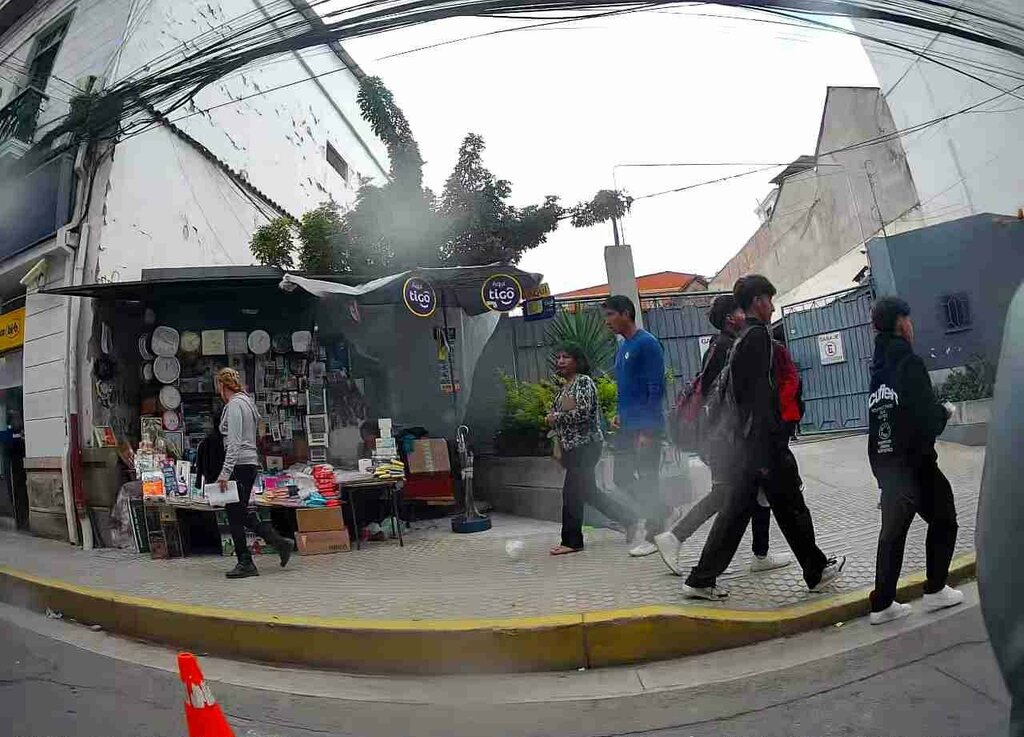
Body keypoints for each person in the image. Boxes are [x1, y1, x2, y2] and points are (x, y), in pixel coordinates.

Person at [682, 275, 845, 600]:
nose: (772, 307)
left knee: (742, 513)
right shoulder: (757, 337)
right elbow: (759, 397)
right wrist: (772, 443)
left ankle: (702, 578)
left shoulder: (743, 338)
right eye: (769, 300)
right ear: (757, 301)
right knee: (789, 507)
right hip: (761, 444)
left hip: (748, 445)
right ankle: (815, 570)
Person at [655, 294, 791, 575]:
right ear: (730, 318)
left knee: (758, 489)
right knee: (726, 493)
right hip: (724, 438)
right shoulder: (727, 347)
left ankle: (760, 554)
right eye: (742, 311)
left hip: (725, 436)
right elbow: (720, 397)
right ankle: (676, 537)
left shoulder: (723, 345)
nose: (748, 315)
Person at [866, 297, 962, 624]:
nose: (912, 326)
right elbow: (924, 417)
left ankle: (882, 604)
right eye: (908, 319)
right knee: (944, 518)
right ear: (900, 323)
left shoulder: (878, 368)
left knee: (892, 533)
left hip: (886, 461)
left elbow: (881, 416)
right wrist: (944, 413)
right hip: (915, 462)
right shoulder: (908, 362)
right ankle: (935, 590)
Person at [546, 344, 637, 555]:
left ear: (577, 361)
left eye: (566, 357)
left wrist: (555, 417)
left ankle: (572, 541)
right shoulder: (566, 386)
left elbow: (584, 412)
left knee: (571, 493)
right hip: (572, 448)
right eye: (558, 357)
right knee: (589, 492)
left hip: (586, 446)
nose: (560, 361)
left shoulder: (583, 382)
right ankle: (629, 519)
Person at [603, 295, 671, 557]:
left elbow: (656, 388)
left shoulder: (647, 343)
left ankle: (654, 536)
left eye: (610, 315)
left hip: (646, 427)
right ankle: (662, 510)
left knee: (647, 477)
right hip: (627, 426)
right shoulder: (624, 347)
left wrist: (647, 429)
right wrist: (620, 415)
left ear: (625, 313)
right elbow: (628, 389)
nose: (607, 321)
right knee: (621, 476)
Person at [216, 367, 293, 579]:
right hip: (248, 463)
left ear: (222, 386)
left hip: (239, 465)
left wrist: (225, 471)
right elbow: (257, 431)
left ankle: (245, 562)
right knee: (240, 512)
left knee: (234, 515)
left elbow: (234, 441)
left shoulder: (235, 405)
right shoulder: (248, 403)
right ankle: (279, 542)